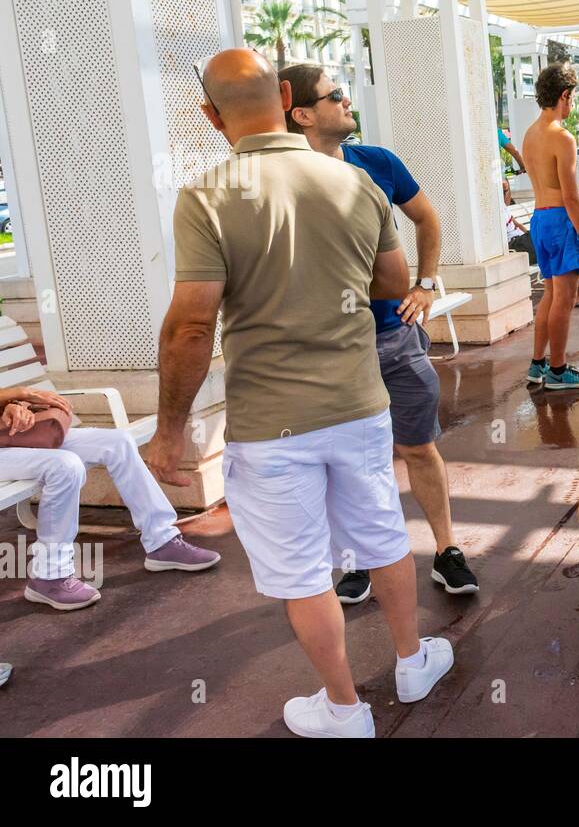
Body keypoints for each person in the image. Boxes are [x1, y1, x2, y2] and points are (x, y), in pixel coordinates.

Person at [147, 49, 452, 738]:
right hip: (357, 405)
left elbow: (193, 325)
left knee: (303, 568)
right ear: (285, 95)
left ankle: (343, 709)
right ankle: (411, 663)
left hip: (268, 423)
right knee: (382, 538)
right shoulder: (353, 181)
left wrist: (171, 430)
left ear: (210, 114)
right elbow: (393, 285)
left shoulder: (207, 195)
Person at [279, 64, 480, 601]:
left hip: (394, 335)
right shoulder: (284, 178)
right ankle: (356, 560)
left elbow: (428, 220)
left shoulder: (378, 162)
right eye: (335, 96)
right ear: (301, 115)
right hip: (328, 347)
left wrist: (426, 284)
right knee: (344, 458)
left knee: (419, 445)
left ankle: (446, 551)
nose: (347, 101)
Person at [1, 387, 219, 611]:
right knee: (65, 466)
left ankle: (162, 541)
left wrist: (13, 405)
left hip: (9, 434)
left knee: (117, 442)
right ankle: (49, 575)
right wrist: (23, 393)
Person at [522, 63, 579, 389]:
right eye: (572, 97)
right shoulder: (562, 138)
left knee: (550, 294)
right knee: (564, 300)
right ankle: (558, 369)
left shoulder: (529, 134)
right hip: (560, 220)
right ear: (564, 95)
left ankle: (538, 363)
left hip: (539, 219)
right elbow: (571, 197)